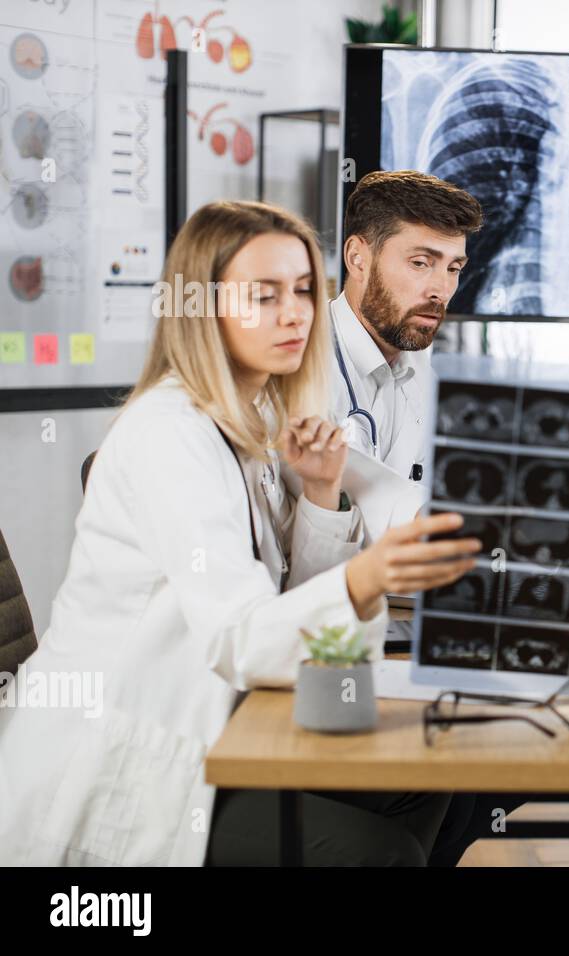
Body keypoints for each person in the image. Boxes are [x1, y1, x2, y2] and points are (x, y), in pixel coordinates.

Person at [0, 201, 480, 866]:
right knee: (378, 852)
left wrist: (318, 492)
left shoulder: (255, 417)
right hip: (127, 760)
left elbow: (292, 614)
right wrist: (366, 576)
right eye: (264, 295)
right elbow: (240, 636)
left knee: (425, 786)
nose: (295, 313)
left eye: (305, 291)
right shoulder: (170, 432)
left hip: (221, 719)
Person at [329, 169, 482, 486]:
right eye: (421, 263)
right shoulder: (297, 369)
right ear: (358, 258)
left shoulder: (423, 377)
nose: (441, 289)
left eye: (454, 268)